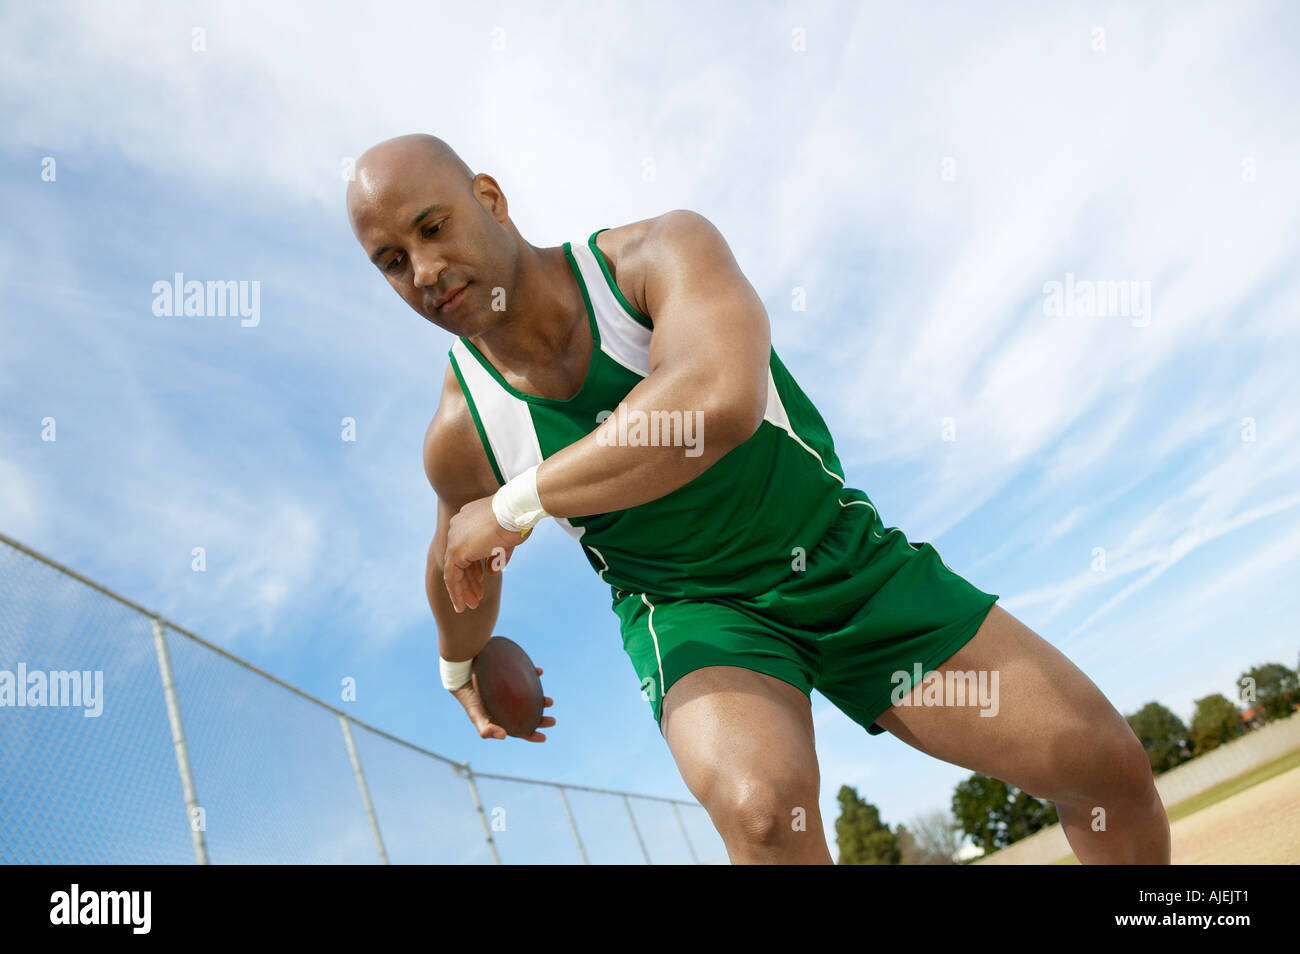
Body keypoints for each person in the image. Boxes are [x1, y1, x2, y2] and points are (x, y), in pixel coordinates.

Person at [345, 133, 1170, 864]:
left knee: (1103, 767)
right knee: (762, 812)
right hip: (696, 614)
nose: (423, 271)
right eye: (391, 260)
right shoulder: (461, 432)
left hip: (843, 561)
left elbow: (712, 406)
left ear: (488, 199)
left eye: (432, 226)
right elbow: (456, 561)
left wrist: (516, 502)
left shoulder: (656, 254)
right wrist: (461, 663)